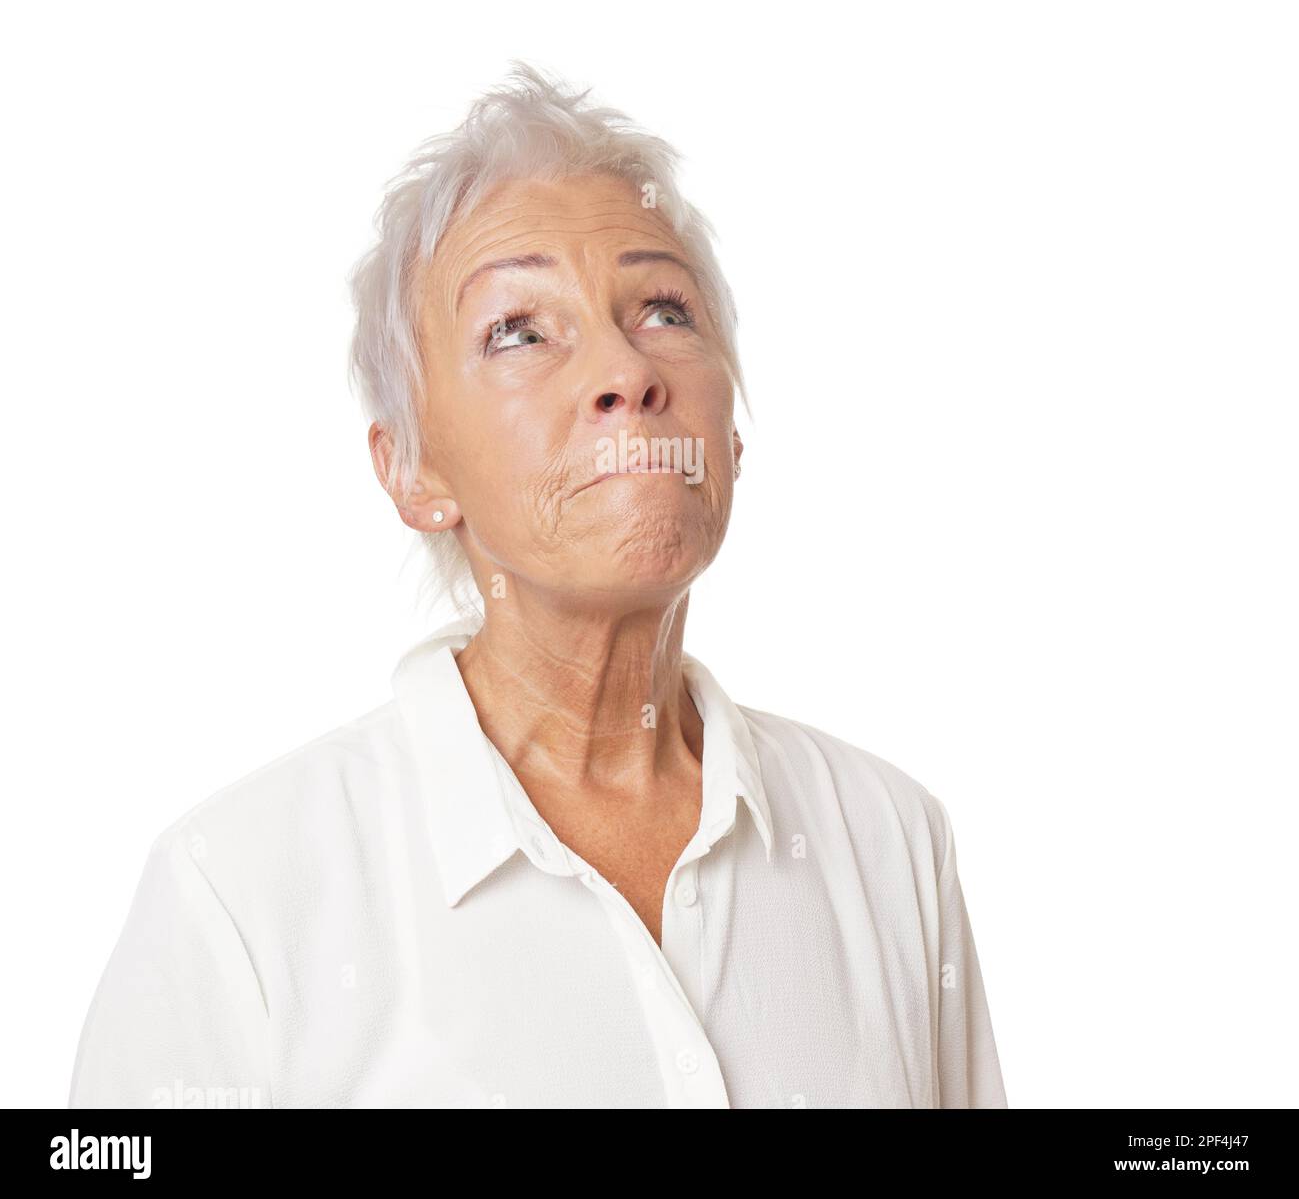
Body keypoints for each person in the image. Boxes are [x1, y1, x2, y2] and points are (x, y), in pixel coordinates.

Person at [68, 63, 1007, 1109]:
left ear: (732, 433)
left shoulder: (888, 840)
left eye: (663, 309)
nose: (626, 369)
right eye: (519, 330)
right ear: (412, 470)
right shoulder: (239, 897)